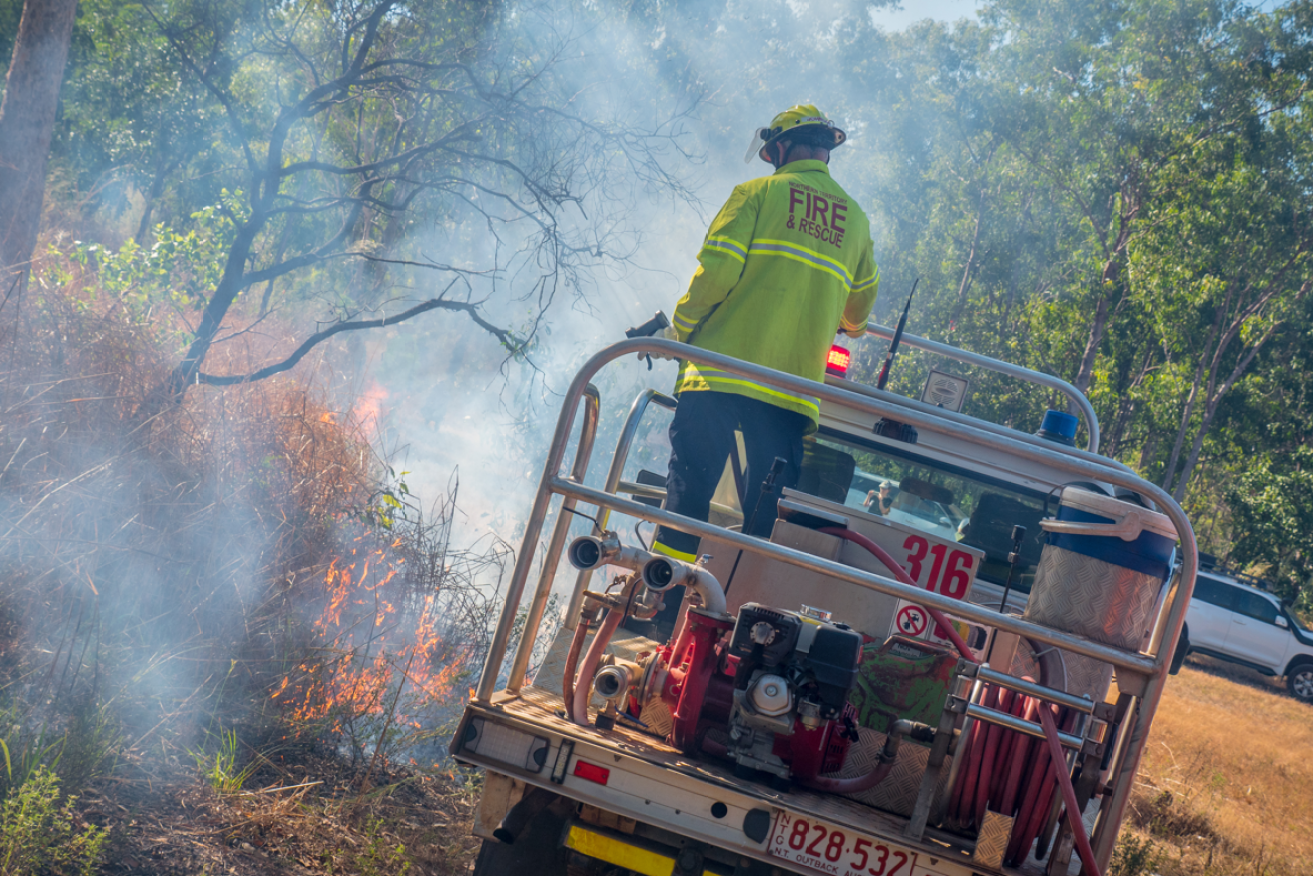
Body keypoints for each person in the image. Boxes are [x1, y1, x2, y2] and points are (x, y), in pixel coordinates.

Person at [650, 104, 881, 562]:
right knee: (764, 516)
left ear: (780, 147)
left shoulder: (755, 194)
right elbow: (857, 317)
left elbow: (715, 276)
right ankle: (735, 619)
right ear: (825, 150)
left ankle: (659, 600)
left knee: (689, 493)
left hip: (720, 375)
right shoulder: (856, 221)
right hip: (790, 393)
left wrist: (679, 330)